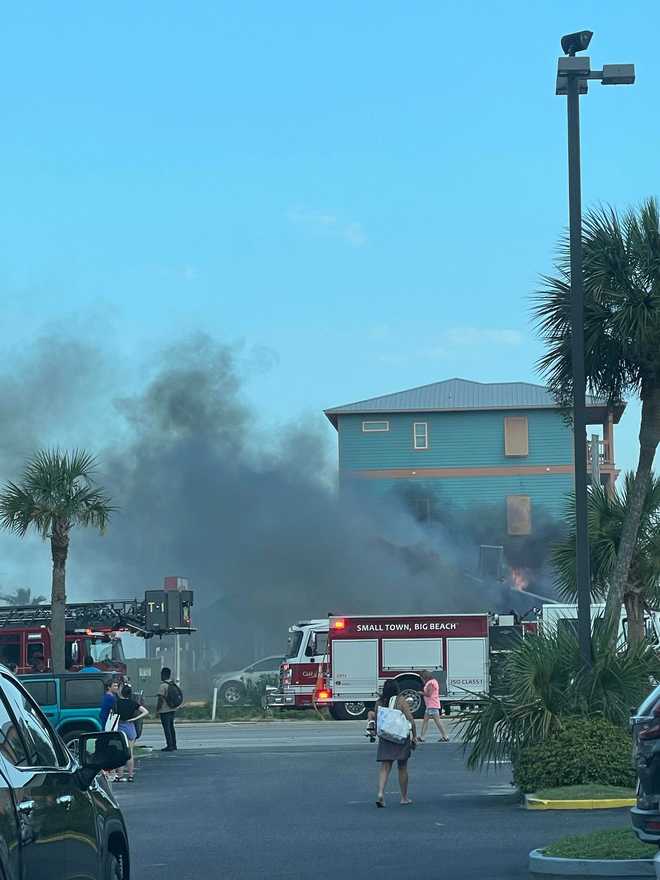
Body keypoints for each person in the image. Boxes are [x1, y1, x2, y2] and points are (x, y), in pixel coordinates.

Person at [368, 679, 416, 807]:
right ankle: (404, 797)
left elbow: (378, 719)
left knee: (385, 767)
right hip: (400, 737)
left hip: (385, 737)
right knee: (402, 767)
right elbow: (410, 719)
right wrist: (415, 736)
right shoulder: (401, 701)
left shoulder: (379, 702)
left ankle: (380, 793)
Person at [114, 684, 148, 783]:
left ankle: (119, 776)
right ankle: (130, 775)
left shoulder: (117, 703)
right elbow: (145, 711)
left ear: (121, 692)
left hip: (119, 727)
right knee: (130, 753)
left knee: (120, 753)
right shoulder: (133, 703)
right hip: (130, 726)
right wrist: (135, 718)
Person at [418, 670, 449, 743]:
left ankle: (445, 736)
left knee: (437, 721)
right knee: (426, 720)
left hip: (432, 705)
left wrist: (421, 693)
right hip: (430, 705)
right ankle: (422, 737)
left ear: (424, 677)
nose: (421, 679)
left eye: (422, 678)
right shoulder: (433, 682)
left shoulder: (431, 683)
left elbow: (429, 694)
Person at [157, 667, 178, 752]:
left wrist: (157, 709)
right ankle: (174, 745)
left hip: (164, 710)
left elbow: (160, 699)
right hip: (172, 709)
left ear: (163, 675)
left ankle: (169, 745)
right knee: (171, 727)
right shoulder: (172, 684)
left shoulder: (163, 685)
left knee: (167, 728)